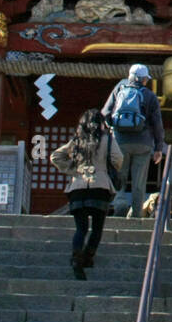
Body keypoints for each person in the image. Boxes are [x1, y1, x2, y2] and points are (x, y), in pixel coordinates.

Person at [50, 108, 124, 279]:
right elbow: (118, 159)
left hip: (78, 187)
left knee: (81, 228)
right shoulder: (108, 139)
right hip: (100, 187)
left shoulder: (77, 140)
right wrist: (105, 169)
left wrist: (73, 169)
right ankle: (88, 258)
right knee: (97, 228)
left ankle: (76, 258)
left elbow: (55, 156)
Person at [102, 64, 167, 218]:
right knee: (139, 181)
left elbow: (105, 112)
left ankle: (120, 203)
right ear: (144, 79)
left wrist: (113, 128)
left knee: (119, 176)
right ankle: (137, 214)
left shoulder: (119, 89)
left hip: (120, 141)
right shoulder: (150, 96)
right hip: (143, 143)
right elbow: (157, 124)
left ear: (130, 76)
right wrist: (158, 148)